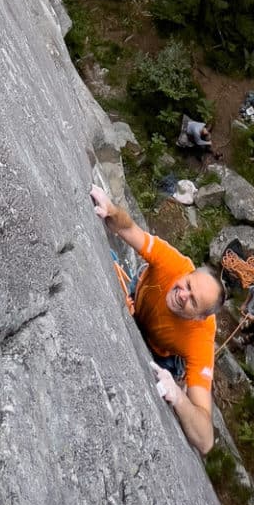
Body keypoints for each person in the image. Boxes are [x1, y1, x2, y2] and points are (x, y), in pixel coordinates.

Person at [90, 184, 223, 454]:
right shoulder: (175, 264)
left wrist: (177, 396)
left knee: (168, 374)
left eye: (193, 300)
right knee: (111, 258)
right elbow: (128, 229)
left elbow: (206, 440)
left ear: (200, 317)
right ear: (188, 273)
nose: (183, 294)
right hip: (136, 295)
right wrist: (111, 209)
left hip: (159, 351)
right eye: (187, 284)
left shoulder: (201, 339)